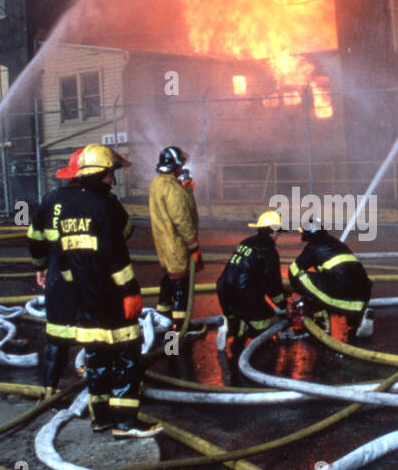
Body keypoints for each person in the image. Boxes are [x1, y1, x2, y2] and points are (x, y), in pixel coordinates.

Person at [27, 143, 156, 438]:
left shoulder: (54, 201)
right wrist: (130, 291)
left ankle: (85, 410)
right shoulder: (104, 204)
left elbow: (36, 239)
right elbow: (117, 249)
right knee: (126, 351)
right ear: (101, 174)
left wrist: (41, 265)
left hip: (68, 282)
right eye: (111, 173)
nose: (113, 179)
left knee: (83, 348)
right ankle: (124, 422)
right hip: (107, 291)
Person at [215, 209, 288, 361]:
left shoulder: (245, 242)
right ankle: (237, 329)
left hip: (224, 291)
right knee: (271, 323)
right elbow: (272, 284)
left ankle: (232, 326)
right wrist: (283, 303)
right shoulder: (268, 251)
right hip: (244, 296)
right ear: (273, 231)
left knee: (242, 316)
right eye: (279, 231)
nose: (279, 235)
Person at [288, 216, 373, 342]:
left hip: (340, 289)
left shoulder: (313, 246)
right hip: (362, 293)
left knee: (299, 276)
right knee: (331, 279)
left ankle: (321, 321)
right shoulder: (337, 243)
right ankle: (358, 320)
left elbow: (294, 269)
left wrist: (295, 292)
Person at [148, 145, 203, 333]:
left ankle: (163, 321)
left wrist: (186, 190)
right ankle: (179, 331)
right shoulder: (172, 188)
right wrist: (193, 246)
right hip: (177, 245)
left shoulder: (158, 183)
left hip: (164, 245)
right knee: (181, 287)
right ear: (176, 165)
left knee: (168, 282)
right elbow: (182, 219)